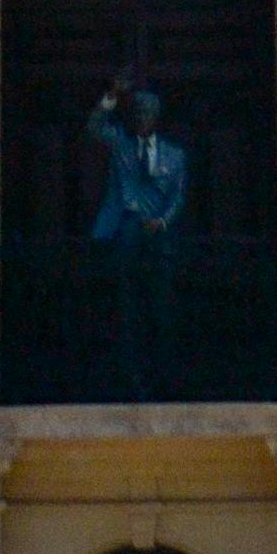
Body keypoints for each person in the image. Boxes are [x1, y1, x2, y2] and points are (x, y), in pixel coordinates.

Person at [87, 79, 187, 393]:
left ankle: (164, 380)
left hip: (159, 241)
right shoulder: (121, 144)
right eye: (138, 111)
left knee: (161, 311)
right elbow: (94, 127)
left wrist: (163, 222)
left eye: (148, 112)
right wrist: (112, 96)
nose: (143, 117)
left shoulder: (174, 155)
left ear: (157, 117)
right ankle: (129, 380)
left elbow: (178, 197)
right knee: (126, 311)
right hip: (126, 236)